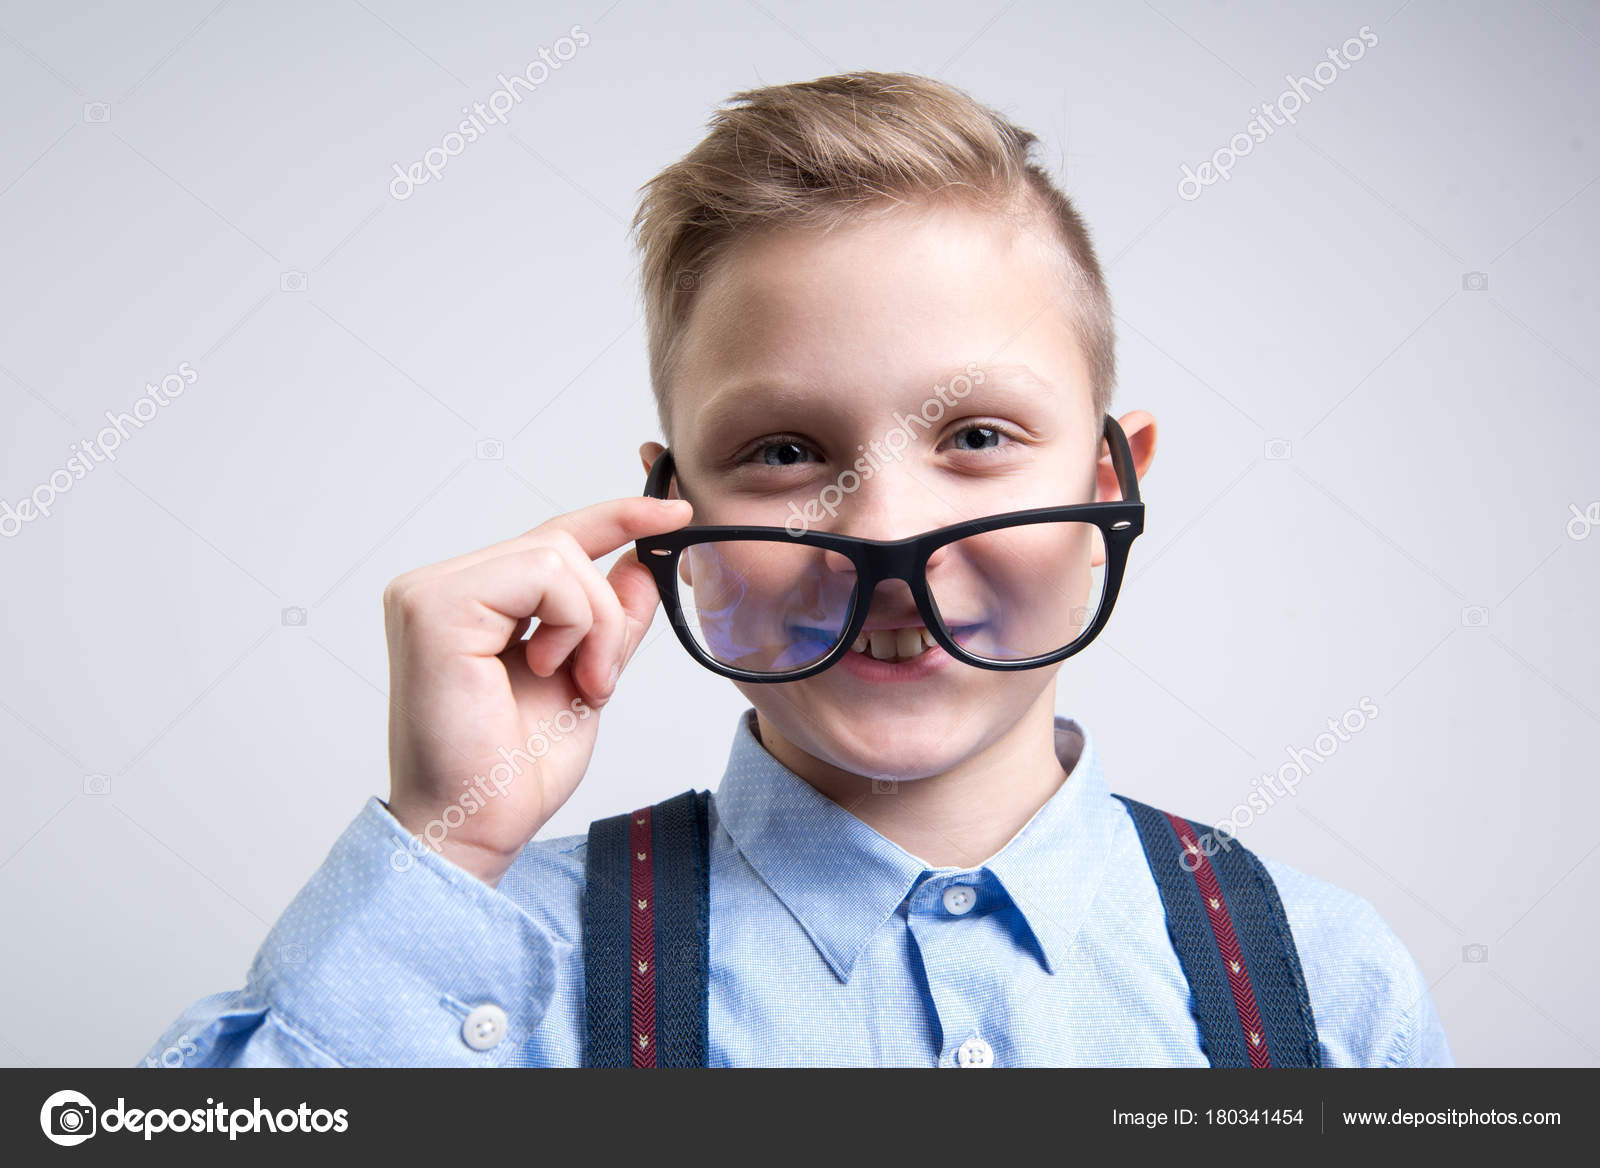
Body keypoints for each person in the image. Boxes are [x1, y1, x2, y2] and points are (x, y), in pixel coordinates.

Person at [142, 70, 1451, 1068]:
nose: (882, 533)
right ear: (672, 514)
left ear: (1111, 481)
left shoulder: (1321, 987)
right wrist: (449, 835)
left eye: (977, 437)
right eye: (783, 451)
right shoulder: (491, 973)